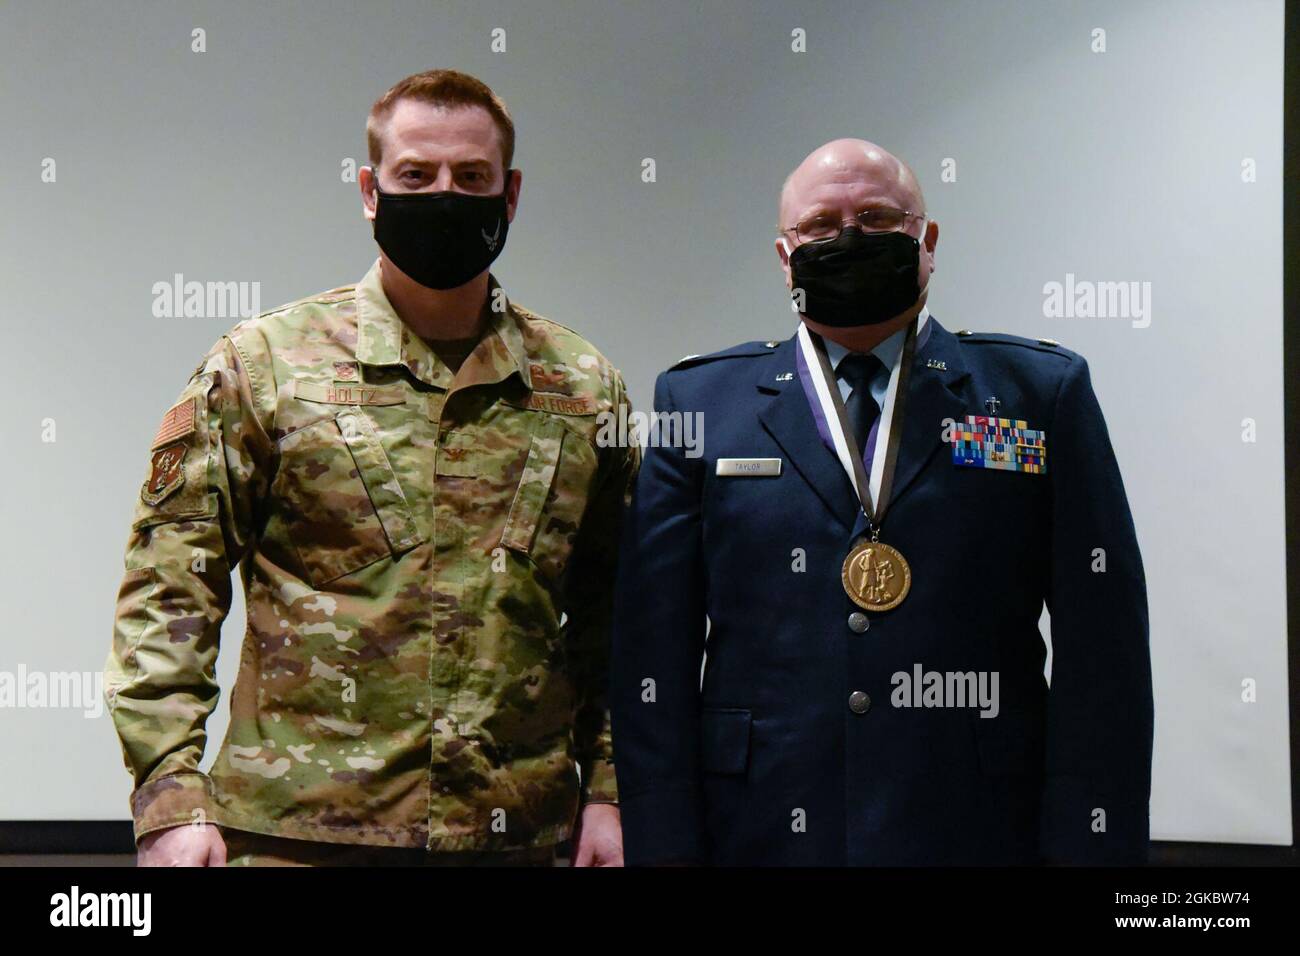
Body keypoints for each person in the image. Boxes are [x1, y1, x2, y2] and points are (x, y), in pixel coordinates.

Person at [104, 69, 636, 867]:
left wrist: (608, 789)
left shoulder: (581, 386)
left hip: (511, 832)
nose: (445, 196)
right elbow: (171, 587)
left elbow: (617, 615)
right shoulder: (266, 367)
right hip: (297, 836)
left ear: (510, 193)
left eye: (472, 177)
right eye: (416, 176)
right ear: (369, 190)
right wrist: (169, 800)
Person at [610, 138, 1152, 866]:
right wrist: (664, 847)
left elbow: (1103, 655)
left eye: (876, 218)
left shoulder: (1036, 395)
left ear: (926, 242)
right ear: (784, 257)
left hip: (980, 828)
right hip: (759, 827)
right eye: (820, 227)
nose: (849, 239)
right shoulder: (701, 403)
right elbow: (654, 652)